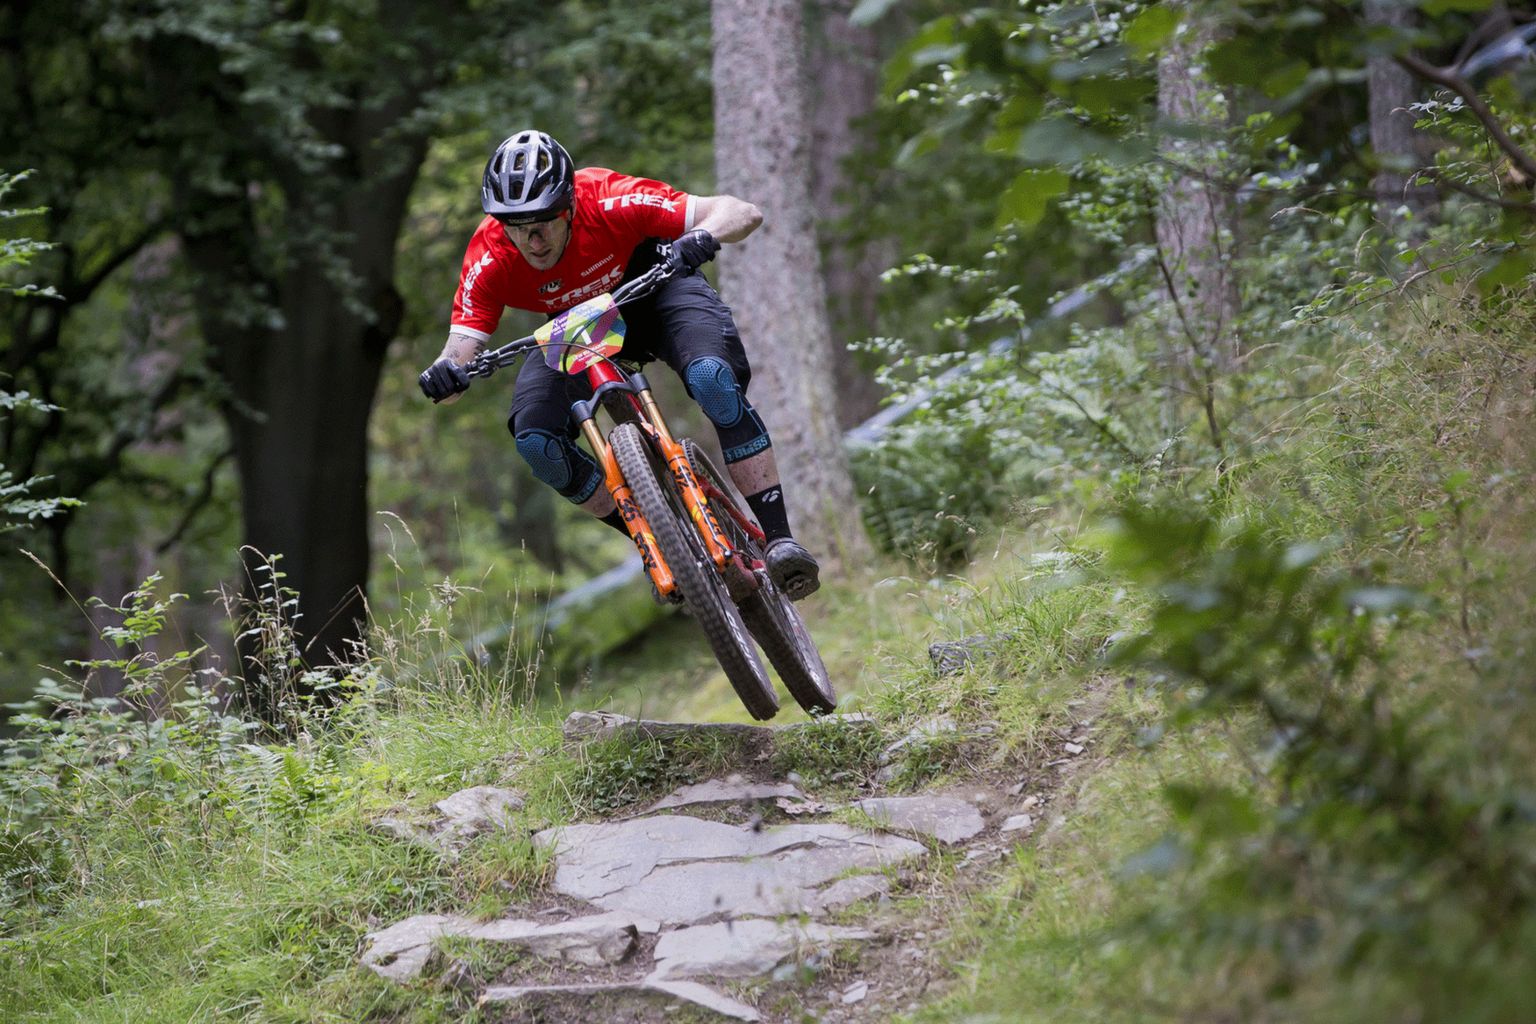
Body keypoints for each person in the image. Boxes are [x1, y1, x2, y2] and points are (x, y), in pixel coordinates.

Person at [418, 129, 820, 600]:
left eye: (544, 220)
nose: (533, 238)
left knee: (712, 379)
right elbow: (459, 352)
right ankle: (660, 544)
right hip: (573, 329)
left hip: (656, 289)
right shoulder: (490, 253)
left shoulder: (610, 198)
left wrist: (702, 237)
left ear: (569, 205)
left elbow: (742, 211)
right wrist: (446, 372)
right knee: (537, 444)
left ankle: (779, 541)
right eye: (515, 224)